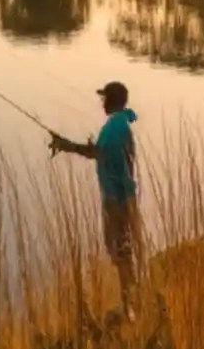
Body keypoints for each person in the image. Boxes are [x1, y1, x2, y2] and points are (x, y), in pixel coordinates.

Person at [49, 81, 142, 319]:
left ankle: (129, 307)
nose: (101, 102)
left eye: (104, 98)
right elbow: (101, 153)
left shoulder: (115, 128)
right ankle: (131, 302)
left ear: (111, 101)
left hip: (117, 200)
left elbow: (102, 154)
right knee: (122, 251)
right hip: (120, 198)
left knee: (121, 252)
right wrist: (66, 145)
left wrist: (67, 146)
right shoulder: (118, 124)